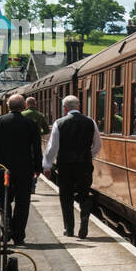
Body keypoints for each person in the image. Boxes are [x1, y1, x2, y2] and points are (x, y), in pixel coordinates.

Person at [43, 94, 101, 238]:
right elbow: (97, 145)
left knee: (66, 196)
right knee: (84, 193)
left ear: (64, 108)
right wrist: (88, 156)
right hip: (85, 165)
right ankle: (85, 217)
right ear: (79, 106)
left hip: (65, 166)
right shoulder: (90, 122)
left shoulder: (59, 123)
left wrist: (47, 166)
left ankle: (69, 229)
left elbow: (52, 147)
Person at [0, 94, 42, 245]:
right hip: (24, 168)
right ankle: (19, 235)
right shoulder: (31, 124)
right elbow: (36, 148)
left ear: (8, 106)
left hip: (2, 168)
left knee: (3, 199)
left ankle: (6, 229)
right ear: (23, 107)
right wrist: (38, 167)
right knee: (22, 201)